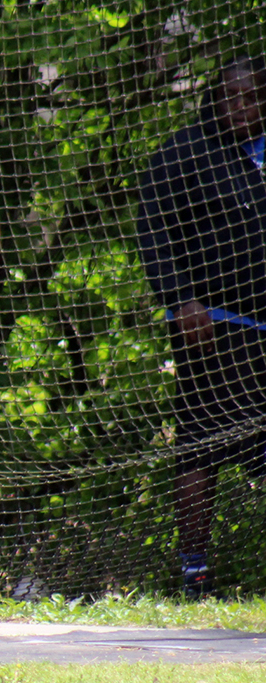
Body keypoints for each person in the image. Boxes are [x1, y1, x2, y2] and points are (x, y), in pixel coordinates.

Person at [137, 55, 266, 598]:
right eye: (229, 96)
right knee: (200, 446)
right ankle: (195, 571)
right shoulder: (184, 153)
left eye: (251, 96)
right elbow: (153, 228)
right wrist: (180, 299)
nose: (240, 107)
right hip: (210, 327)